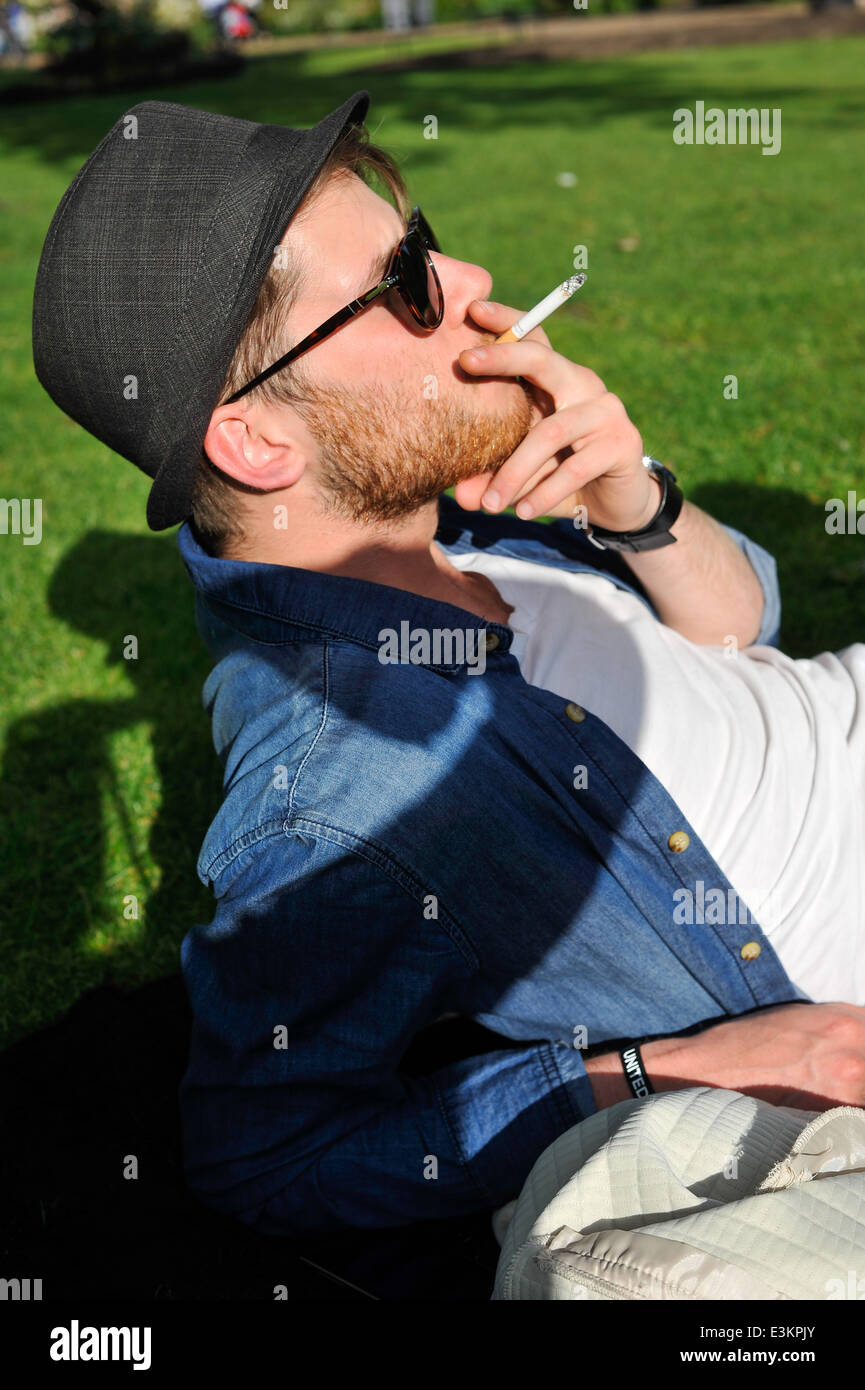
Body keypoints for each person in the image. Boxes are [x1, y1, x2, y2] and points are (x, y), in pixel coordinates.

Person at [32, 92, 865, 1239]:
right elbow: (267, 1156)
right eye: (406, 281)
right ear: (256, 440)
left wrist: (634, 500)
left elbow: (744, 625)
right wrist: (659, 1068)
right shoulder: (347, 792)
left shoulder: (430, 510)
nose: (470, 280)